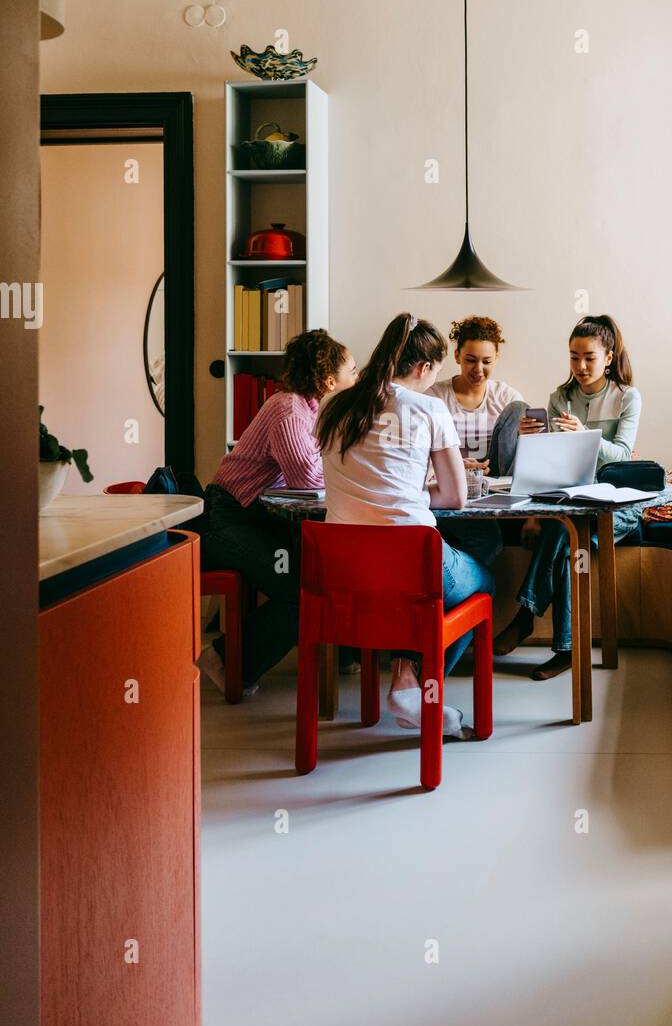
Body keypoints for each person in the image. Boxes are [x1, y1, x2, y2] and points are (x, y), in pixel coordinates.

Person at [316, 312, 495, 739]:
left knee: (417, 583)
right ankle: (414, 682)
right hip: (409, 568)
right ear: (424, 368)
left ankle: (405, 673)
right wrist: (417, 493)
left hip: (342, 575)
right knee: (483, 575)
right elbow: (455, 497)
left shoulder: (332, 403)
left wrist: (405, 489)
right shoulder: (429, 408)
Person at [198, 329, 356, 694]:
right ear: (330, 380)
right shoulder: (288, 409)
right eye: (352, 369)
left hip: (259, 517)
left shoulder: (313, 410)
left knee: (327, 567)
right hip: (228, 518)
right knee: (298, 592)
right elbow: (307, 477)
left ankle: (343, 657)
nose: (357, 377)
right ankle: (223, 658)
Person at [493, 313, 643, 680]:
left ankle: (527, 617)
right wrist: (532, 438)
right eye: (574, 356)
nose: (580, 365)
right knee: (564, 539)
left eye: (589, 357)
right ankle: (566, 650)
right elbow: (550, 462)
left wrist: (584, 437)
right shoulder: (561, 397)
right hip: (570, 503)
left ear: (608, 358)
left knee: (562, 536)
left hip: (613, 503)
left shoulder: (627, 397)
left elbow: (623, 453)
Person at [428, 315, 523, 569]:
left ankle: (453, 582)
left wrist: (528, 435)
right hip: (449, 487)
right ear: (457, 356)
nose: (478, 369)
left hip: (496, 486)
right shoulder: (435, 396)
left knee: (518, 409)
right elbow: (419, 454)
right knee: (487, 540)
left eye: (486, 361)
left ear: (496, 359)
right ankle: (456, 584)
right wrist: (457, 464)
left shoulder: (506, 396)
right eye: (470, 360)